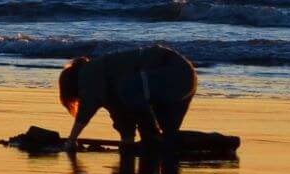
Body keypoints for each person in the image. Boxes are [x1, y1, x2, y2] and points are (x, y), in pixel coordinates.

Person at [58, 44, 197, 156]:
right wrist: (127, 141)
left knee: (129, 88)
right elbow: (120, 112)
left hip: (167, 70)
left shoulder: (89, 73)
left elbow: (86, 110)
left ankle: (151, 137)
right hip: (187, 77)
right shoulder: (109, 79)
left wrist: (71, 141)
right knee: (168, 138)